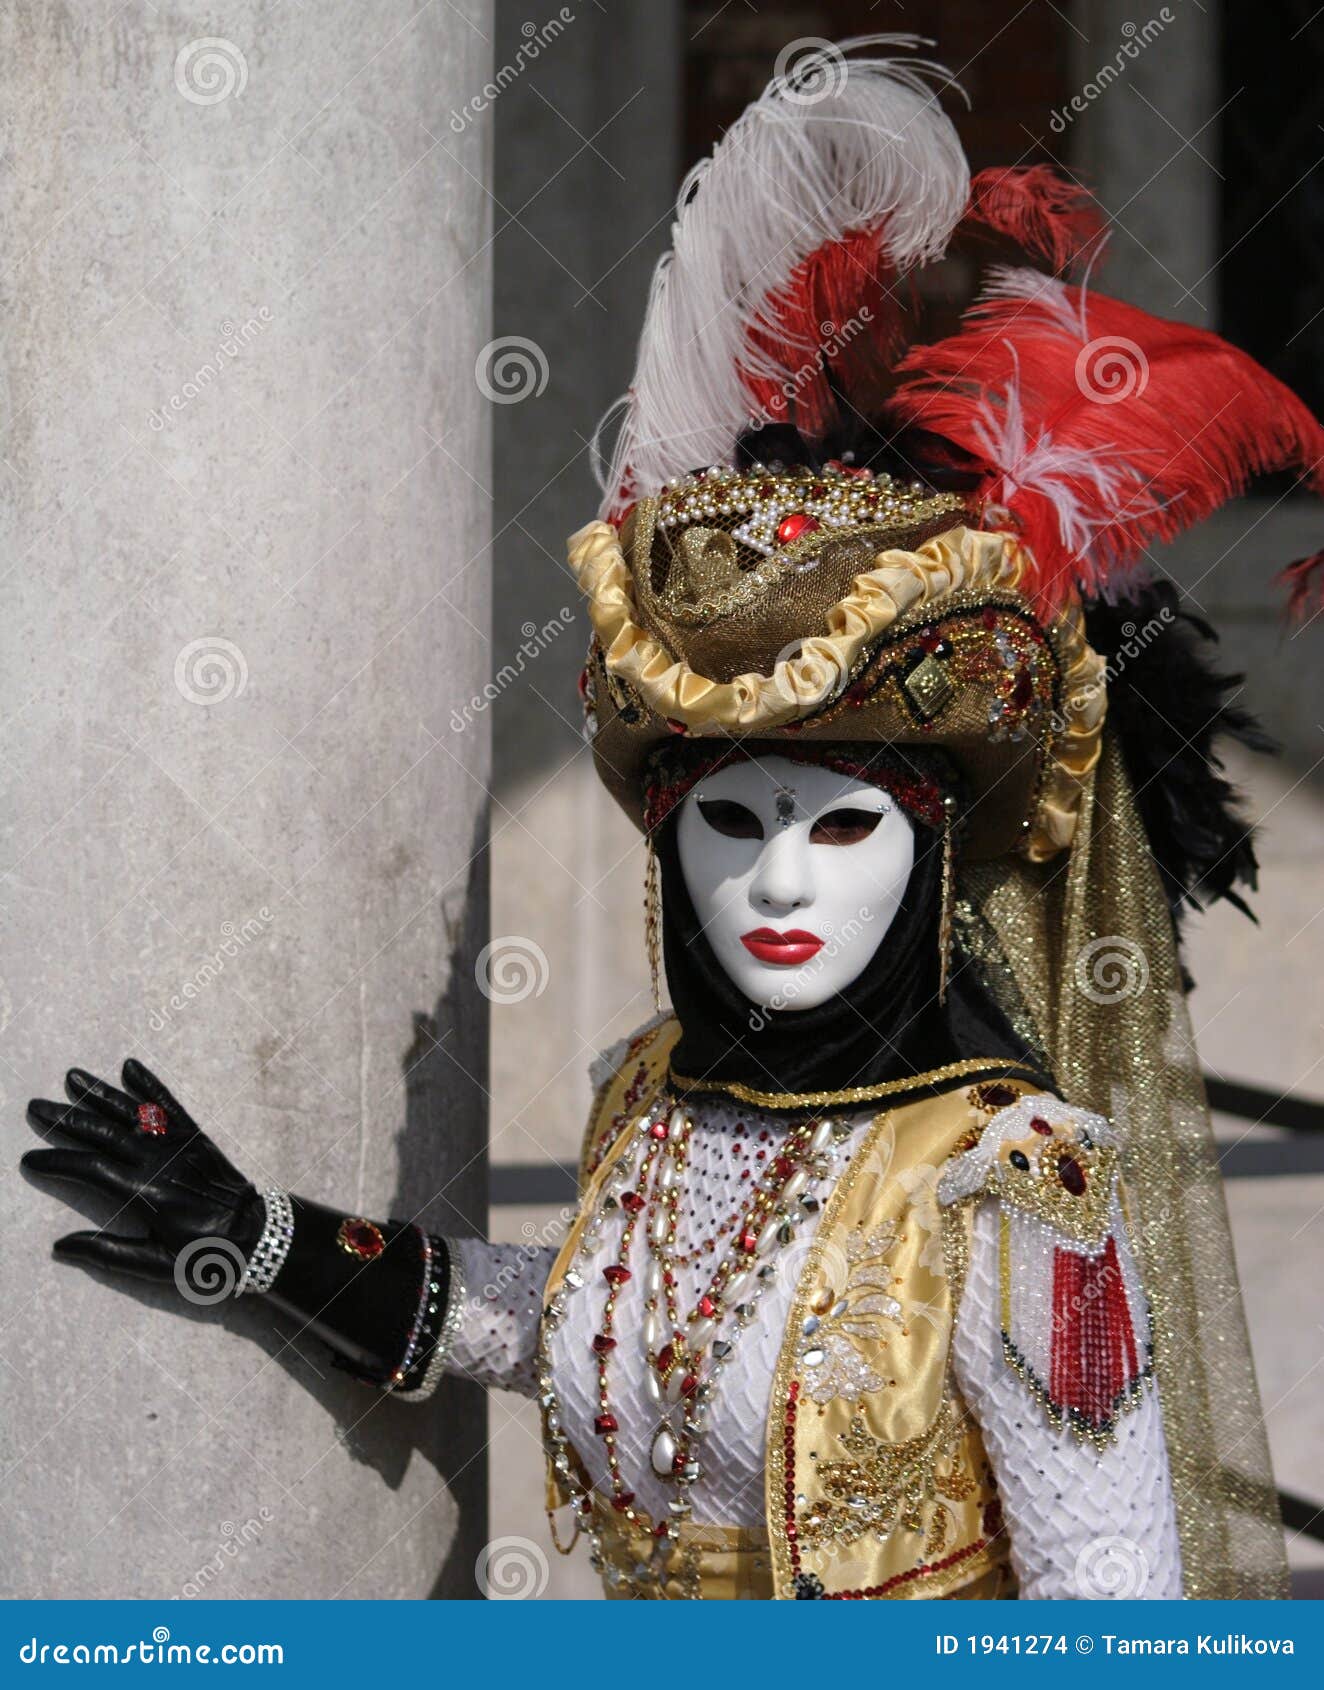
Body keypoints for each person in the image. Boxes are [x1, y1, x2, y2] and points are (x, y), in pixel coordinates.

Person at [25, 39, 1315, 1600]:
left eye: (841, 831)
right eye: (732, 822)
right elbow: (576, 1317)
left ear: (926, 857)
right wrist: (260, 1237)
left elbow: (1111, 1611)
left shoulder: (1018, 1190)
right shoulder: (658, 1100)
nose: (777, 876)